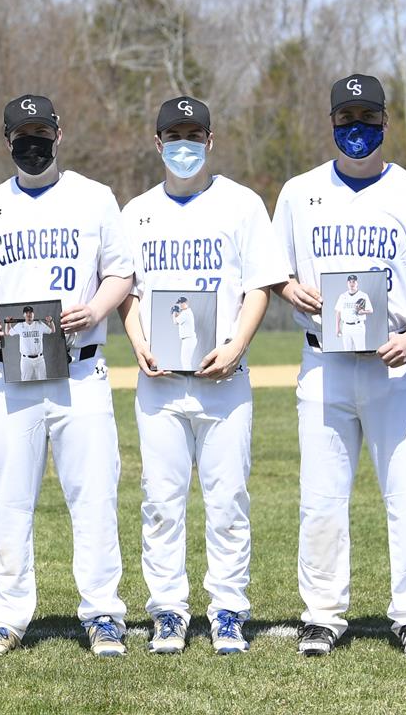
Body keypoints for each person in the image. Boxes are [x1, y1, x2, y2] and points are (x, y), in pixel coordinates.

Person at [272, 73, 406, 658]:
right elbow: (278, 274)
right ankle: (322, 614)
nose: (357, 129)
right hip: (324, 364)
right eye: (346, 119)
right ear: (331, 123)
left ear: (385, 122)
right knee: (321, 497)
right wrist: (290, 291)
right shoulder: (299, 192)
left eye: (366, 119)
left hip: (396, 364)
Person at [117, 95, 286, 657]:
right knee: (160, 500)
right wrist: (138, 343)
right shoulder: (137, 211)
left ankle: (228, 609)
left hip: (223, 380)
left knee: (228, 498)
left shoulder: (241, 204)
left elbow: (261, 284)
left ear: (211, 141)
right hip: (160, 383)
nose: (184, 145)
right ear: (157, 141)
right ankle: (167, 609)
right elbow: (128, 291)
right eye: (174, 135)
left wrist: (238, 345)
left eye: (195, 135)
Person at [0, 94, 133, 658]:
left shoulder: (94, 197)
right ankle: (6, 616)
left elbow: (119, 272)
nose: (32, 142)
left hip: (80, 372)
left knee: (93, 499)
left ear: (59, 134)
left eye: (41, 131)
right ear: (6, 138)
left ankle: (104, 614)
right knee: (8, 501)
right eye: (21, 133)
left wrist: (99, 309)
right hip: (10, 374)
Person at [6, 305, 51, 382]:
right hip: (25, 360)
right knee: (25, 382)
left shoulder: (39, 324)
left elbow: (51, 330)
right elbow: (8, 333)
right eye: (26, 313)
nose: (29, 314)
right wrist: (8, 323)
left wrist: (51, 321)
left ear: (33, 314)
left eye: (30, 312)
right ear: (24, 315)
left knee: (43, 382)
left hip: (39, 359)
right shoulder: (20, 325)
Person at [334, 274, 373, 349]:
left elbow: (371, 310)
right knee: (347, 351)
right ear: (347, 283)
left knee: (360, 350)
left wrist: (363, 312)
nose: (352, 284)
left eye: (354, 282)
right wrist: (337, 328)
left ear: (357, 283)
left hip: (358, 326)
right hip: (346, 326)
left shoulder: (363, 295)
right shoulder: (342, 296)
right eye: (350, 282)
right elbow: (338, 312)